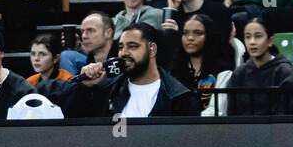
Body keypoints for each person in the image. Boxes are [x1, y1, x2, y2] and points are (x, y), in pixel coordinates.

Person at [65, 22, 200, 117]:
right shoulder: (106, 89)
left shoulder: (180, 97)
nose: (124, 53)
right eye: (121, 47)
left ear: (152, 49)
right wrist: (84, 87)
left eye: (133, 46)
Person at [226, 16, 293, 116]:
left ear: (270, 41)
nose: (252, 42)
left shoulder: (285, 73)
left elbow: (287, 117)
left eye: (258, 36)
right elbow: (232, 115)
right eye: (248, 37)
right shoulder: (239, 73)